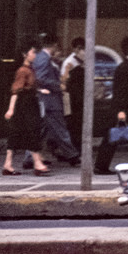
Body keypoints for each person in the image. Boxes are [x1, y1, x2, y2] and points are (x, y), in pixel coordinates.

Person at [3, 39, 52, 176]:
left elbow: (27, 88)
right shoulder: (23, 70)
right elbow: (16, 90)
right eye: (32, 52)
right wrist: (11, 109)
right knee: (33, 130)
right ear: (25, 54)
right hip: (25, 105)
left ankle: (8, 164)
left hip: (28, 103)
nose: (35, 55)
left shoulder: (29, 69)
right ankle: (37, 163)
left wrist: (40, 91)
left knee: (17, 133)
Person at [95, 36, 128, 175]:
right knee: (115, 137)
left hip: (126, 107)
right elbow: (120, 90)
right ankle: (100, 166)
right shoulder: (125, 68)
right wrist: (121, 111)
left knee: (117, 137)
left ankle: (101, 166)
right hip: (123, 108)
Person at [32, 35, 80, 166]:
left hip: (46, 100)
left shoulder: (43, 58)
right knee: (59, 128)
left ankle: (29, 158)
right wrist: (57, 85)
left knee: (42, 130)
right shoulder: (44, 58)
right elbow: (40, 78)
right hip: (50, 100)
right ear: (53, 45)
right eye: (57, 46)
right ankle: (72, 154)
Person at [64, 43, 86, 150]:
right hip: (72, 98)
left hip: (80, 99)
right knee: (72, 123)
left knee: (77, 123)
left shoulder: (83, 64)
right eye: (82, 49)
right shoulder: (71, 63)